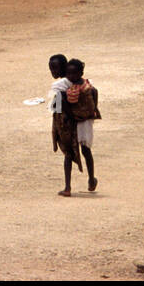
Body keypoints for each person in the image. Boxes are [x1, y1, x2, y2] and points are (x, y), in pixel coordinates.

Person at [55, 58, 100, 196]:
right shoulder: (87, 85)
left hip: (75, 123)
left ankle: (69, 187)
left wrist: (70, 116)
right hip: (85, 122)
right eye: (69, 74)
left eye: (74, 74)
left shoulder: (65, 87)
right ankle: (90, 180)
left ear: (81, 72)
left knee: (71, 153)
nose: (71, 77)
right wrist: (94, 110)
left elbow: (60, 105)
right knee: (85, 151)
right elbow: (95, 93)